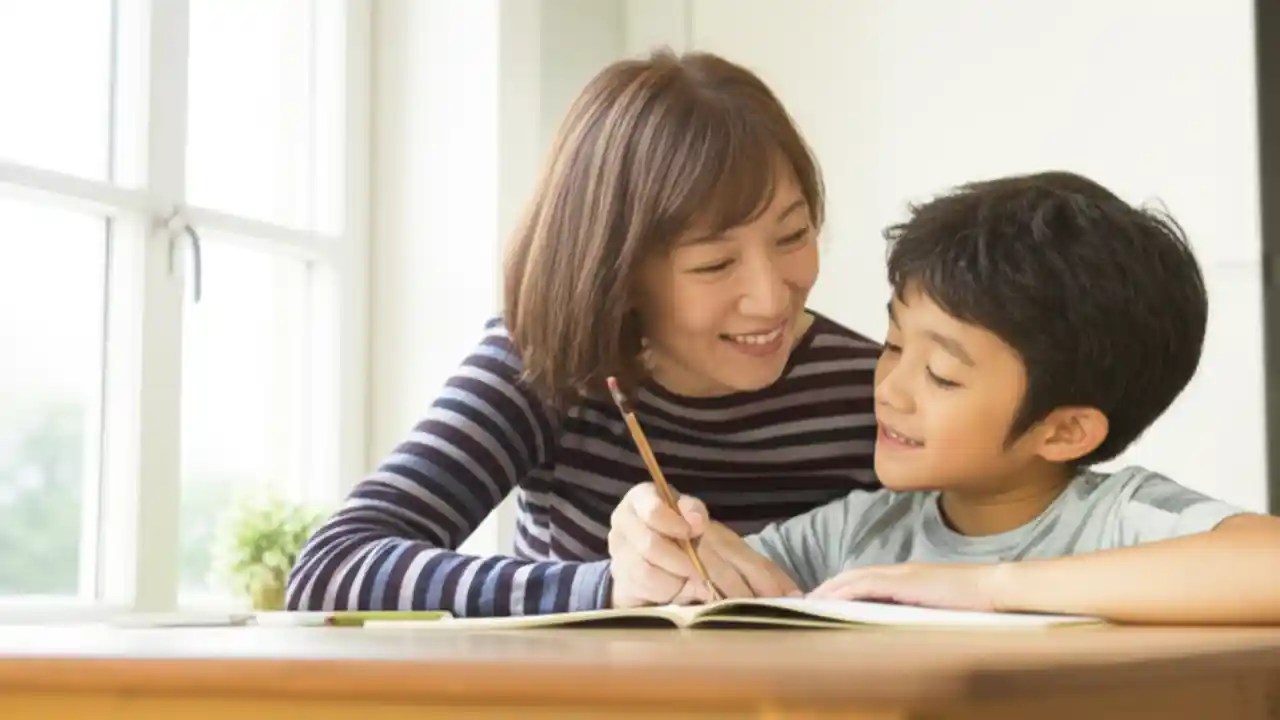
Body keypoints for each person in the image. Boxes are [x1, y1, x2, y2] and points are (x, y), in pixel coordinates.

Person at [285, 49, 882, 616]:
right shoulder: (547, 364)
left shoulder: (878, 390)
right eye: (714, 265)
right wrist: (606, 585)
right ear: (617, 271)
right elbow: (331, 569)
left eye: (793, 236)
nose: (771, 296)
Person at [610, 171, 1280, 624]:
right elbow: (714, 599)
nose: (890, 389)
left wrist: (986, 588)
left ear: (1065, 430)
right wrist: (657, 549)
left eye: (942, 376)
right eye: (895, 346)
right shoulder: (856, 532)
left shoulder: (1114, 521)